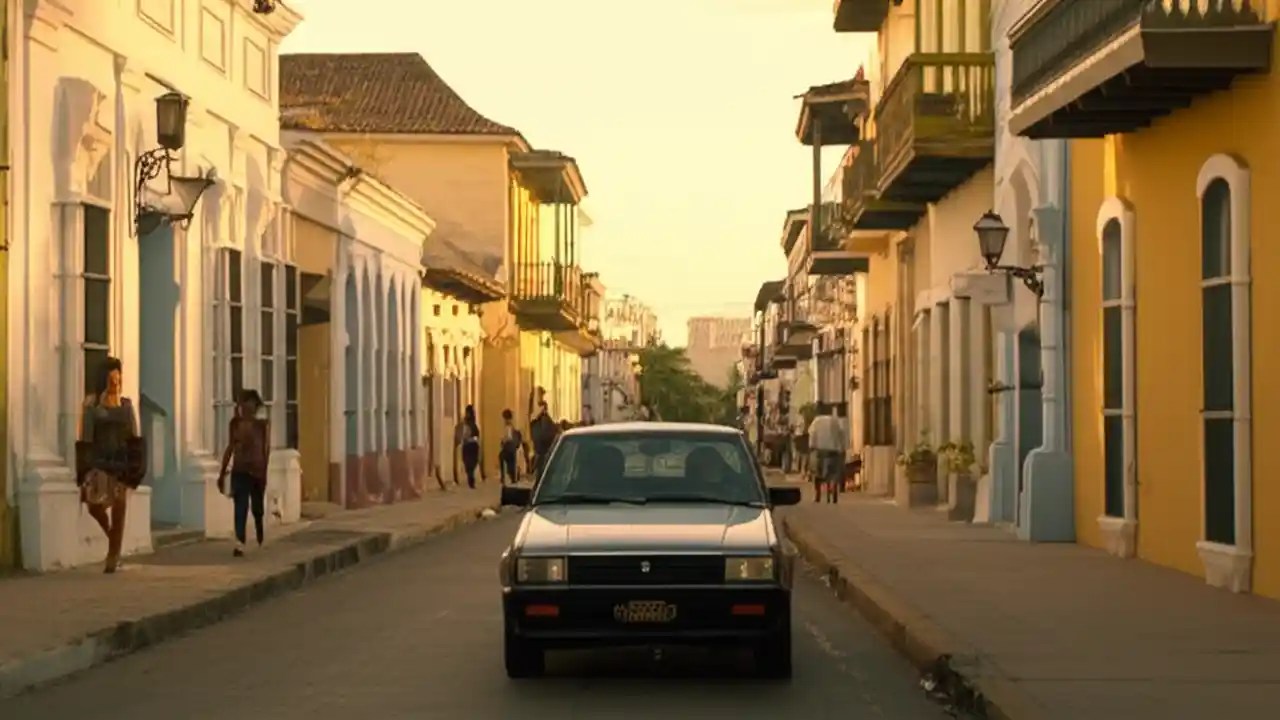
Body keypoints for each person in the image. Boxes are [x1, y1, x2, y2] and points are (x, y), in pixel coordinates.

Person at [76, 357, 144, 574]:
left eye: (118, 378)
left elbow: (134, 437)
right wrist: (82, 471)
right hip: (99, 462)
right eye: (111, 378)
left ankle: (112, 557)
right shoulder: (92, 406)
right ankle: (112, 537)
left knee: (120, 507)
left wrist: (136, 468)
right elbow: (85, 438)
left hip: (121, 462)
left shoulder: (126, 406)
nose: (116, 382)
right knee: (94, 506)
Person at [218, 389, 270, 556]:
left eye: (246, 403)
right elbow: (230, 447)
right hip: (239, 470)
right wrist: (222, 471)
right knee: (240, 507)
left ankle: (259, 529)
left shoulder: (261, 425)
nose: (243, 407)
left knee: (257, 507)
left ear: (254, 405)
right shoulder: (235, 424)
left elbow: (266, 449)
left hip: (257, 471)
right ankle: (239, 542)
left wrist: (264, 472)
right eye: (241, 403)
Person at [808, 405, 848, 503]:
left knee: (816, 473)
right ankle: (834, 487)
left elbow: (812, 435)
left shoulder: (816, 421)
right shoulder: (835, 421)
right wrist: (842, 448)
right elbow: (841, 434)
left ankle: (817, 494)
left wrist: (812, 446)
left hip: (820, 451)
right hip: (833, 451)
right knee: (834, 472)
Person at [530, 401, 558, 480]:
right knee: (540, 473)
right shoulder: (538, 420)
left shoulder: (545, 420)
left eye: (538, 407)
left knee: (542, 473)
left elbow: (544, 435)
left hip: (543, 450)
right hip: (540, 450)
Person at [456, 404, 481, 488]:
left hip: (472, 445)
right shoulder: (465, 423)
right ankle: (471, 479)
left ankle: (471, 480)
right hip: (467, 445)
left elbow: (477, 435)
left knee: (472, 463)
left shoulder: (472, 424)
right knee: (467, 463)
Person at [498, 408, 523, 484]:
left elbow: (508, 437)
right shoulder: (513, 423)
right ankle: (513, 477)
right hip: (513, 446)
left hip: (509, 446)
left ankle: (504, 476)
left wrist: (502, 441)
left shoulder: (508, 425)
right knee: (511, 462)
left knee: (502, 458)